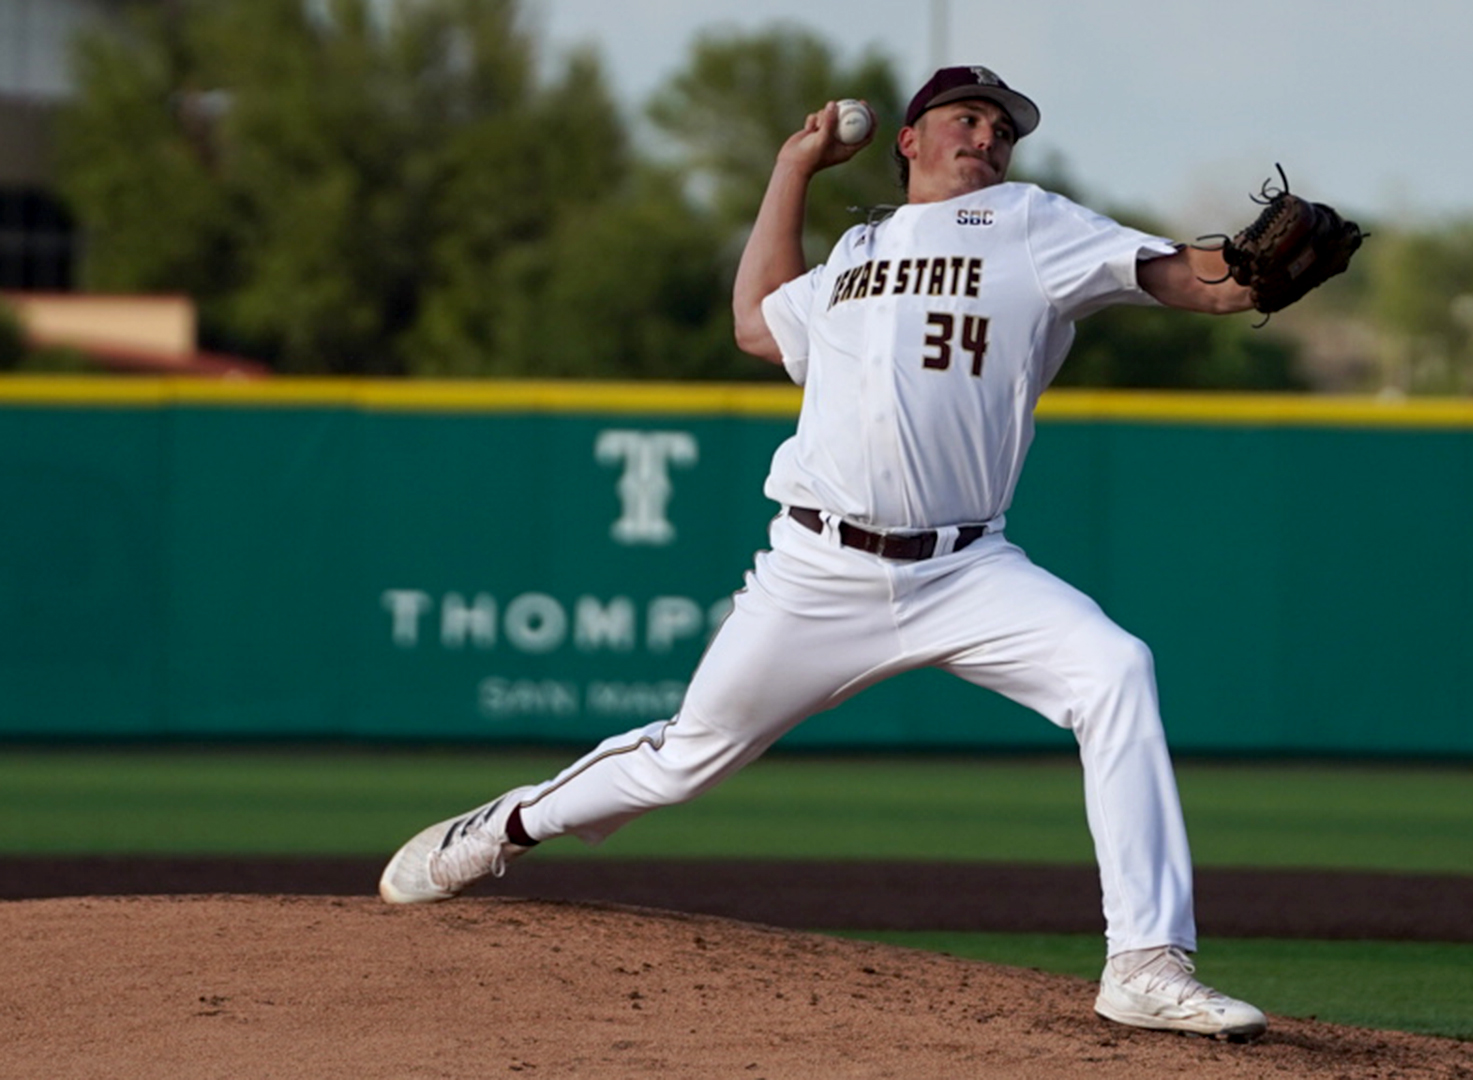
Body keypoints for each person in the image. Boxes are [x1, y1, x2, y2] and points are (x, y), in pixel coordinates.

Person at [379, 66, 1285, 1038]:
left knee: (1115, 670)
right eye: (964, 118)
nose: (986, 136)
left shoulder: (1033, 222)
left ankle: (1145, 962)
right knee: (686, 759)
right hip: (818, 571)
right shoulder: (856, 250)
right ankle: (503, 828)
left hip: (967, 569)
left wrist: (1258, 272)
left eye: (1002, 128)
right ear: (909, 139)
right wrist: (792, 167)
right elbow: (754, 321)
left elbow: (1192, 281)